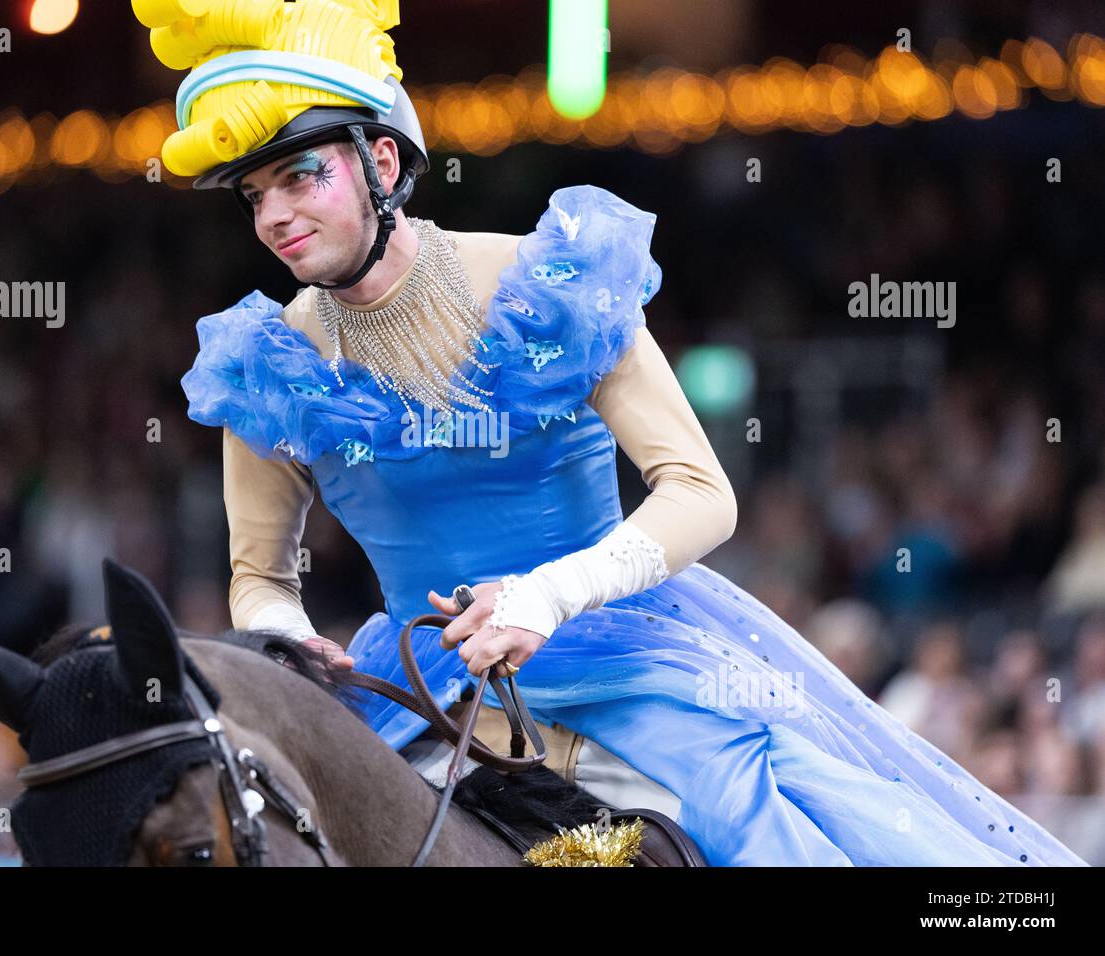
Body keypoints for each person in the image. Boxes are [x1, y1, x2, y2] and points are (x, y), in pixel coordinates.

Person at [138, 0, 1087, 865]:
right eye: (252, 193)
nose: (274, 215)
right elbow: (260, 579)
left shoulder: (552, 281)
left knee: (772, 843)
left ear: (383, 163)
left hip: (622, 652)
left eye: (299, 174)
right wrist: (290, 640)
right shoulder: (266, 364)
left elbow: (702, 493)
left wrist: (547, 597)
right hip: (414, 687)